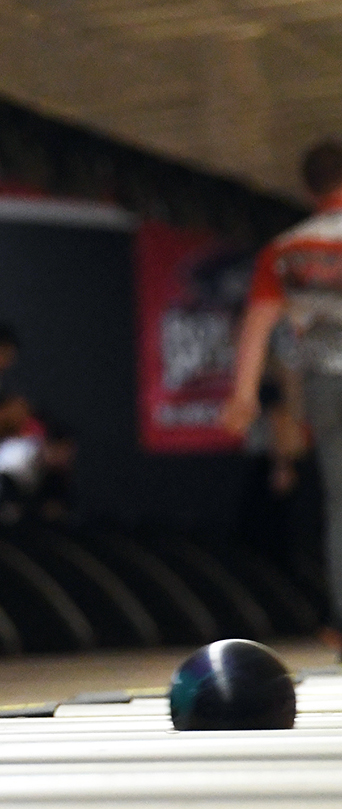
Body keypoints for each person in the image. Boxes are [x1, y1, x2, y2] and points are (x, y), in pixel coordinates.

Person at [222, 138, 342, 647]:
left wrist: (243, 396)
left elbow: (258, 324)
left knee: (340, 504)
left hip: (323, 381)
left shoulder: (286, 248)